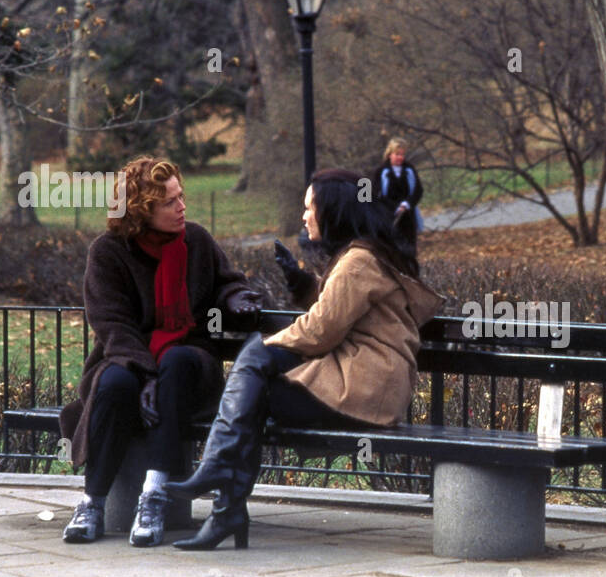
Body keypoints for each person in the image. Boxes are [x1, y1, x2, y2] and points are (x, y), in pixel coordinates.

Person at [166, 168, 445, 551]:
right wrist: (301, 284)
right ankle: (223, 503)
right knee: (253, 390)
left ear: (332, 210)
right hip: (363, 382)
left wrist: (264, 348)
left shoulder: (358, 260)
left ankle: (221, 491)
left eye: (309, 207)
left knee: (254, 368)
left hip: (365, 389)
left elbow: (321, 332)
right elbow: (338, 311)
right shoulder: (357, 255)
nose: (304, 216)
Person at [58, 156, 262, 547]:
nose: (181, 207)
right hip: (126, 356)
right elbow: (112, 325)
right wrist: (147, 374)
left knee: (177, 360)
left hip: (190, 360)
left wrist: (236, 298)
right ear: (141, 209)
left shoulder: (196, 241)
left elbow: (227, 282)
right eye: (170, 202)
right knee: (116, 383)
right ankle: (92, 502)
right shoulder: (108, 252)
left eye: (181, 196)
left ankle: (154, 495)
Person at [374, 137, 424, 236]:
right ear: (390, 155)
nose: (400, 157)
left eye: (402, 154)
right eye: (397, 154)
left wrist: (406, 204)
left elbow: (418, 190)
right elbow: (376, 195)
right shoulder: (381, 171)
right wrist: (396, 207)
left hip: (408, 216)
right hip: (388, 216)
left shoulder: (410, 169)